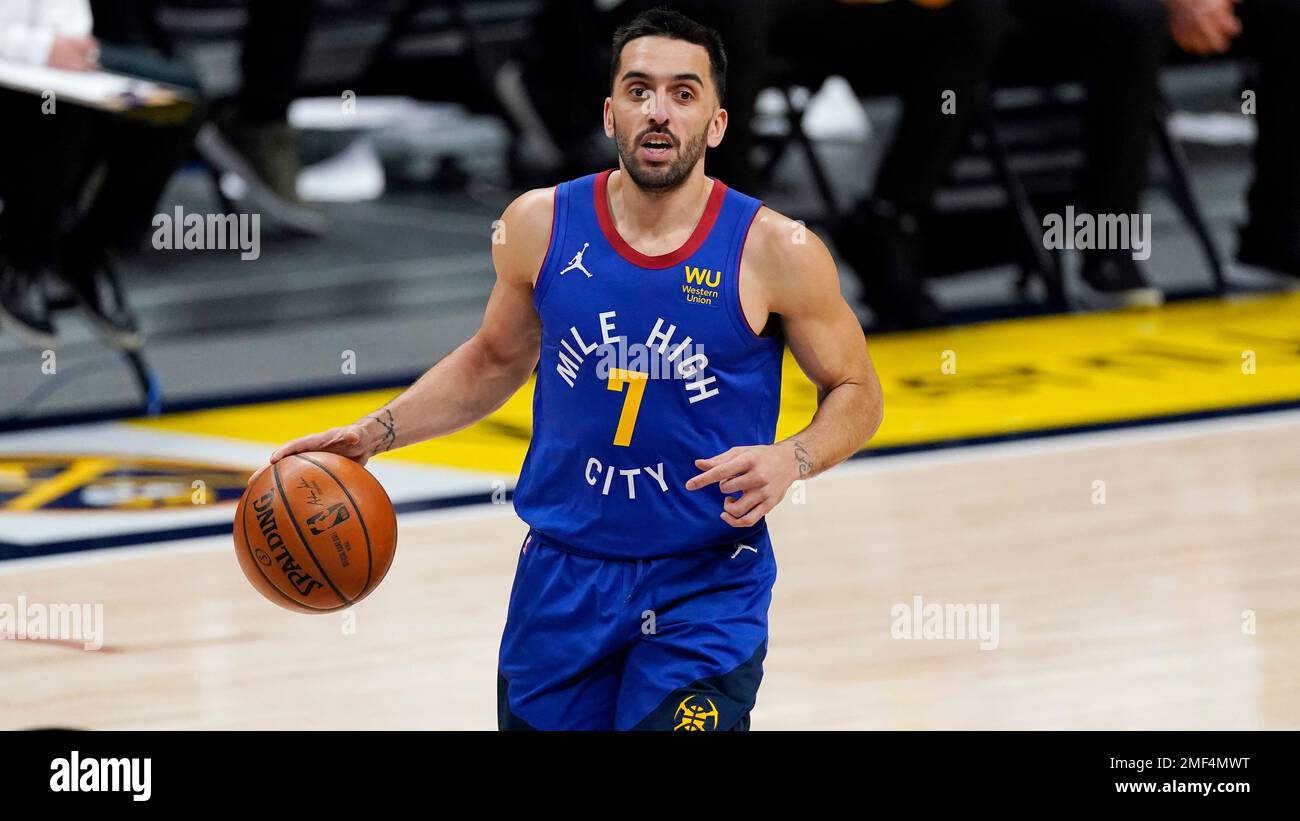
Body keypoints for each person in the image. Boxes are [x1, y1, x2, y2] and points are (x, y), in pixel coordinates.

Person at [268, 8, 884, 731]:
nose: (659, 111)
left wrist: (795, 456)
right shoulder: (539, 223)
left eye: (684, 94)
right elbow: (493, 360)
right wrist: (375, 432)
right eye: (639, 90)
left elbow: (859, 391)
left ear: (717, 122)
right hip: (562, 583)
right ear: (610, 112)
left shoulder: (777, 249)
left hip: (705, 585)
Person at [0, 0, 202, 349]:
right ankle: (19, 259)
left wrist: (71, 43)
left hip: (57, 53)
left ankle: (87, 251)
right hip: (16, 59)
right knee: (60, 108)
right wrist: (40, 49)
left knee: (179, 99)